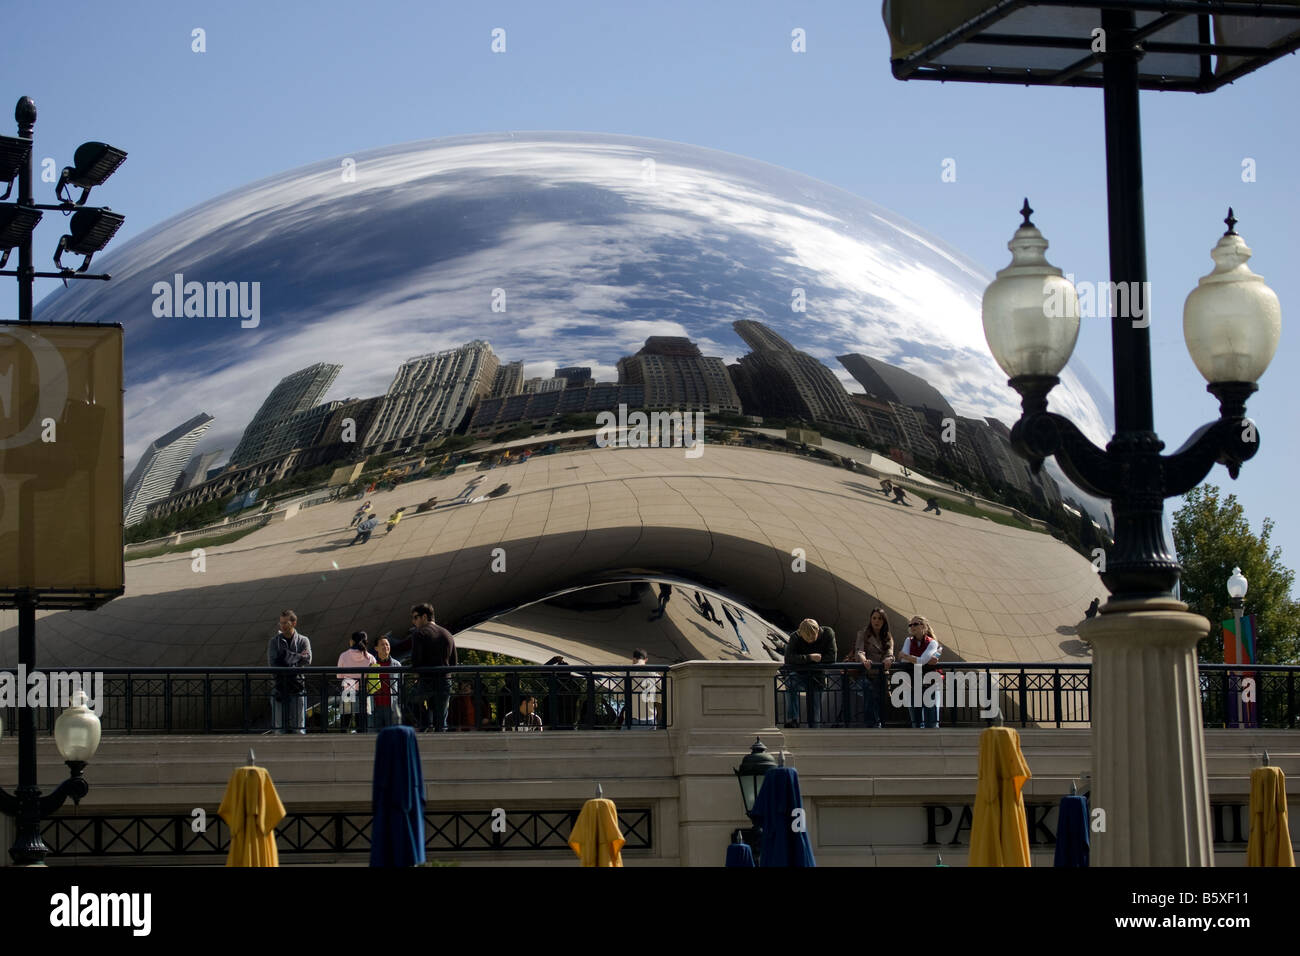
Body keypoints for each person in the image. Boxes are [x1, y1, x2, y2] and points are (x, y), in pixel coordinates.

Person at [393, 603, 457, 732]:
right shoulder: (447, 634)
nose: (413, 621)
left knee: (409, 701)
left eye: (415, 617)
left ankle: (425, 723)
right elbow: (454, 661)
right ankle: (439, 740)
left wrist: (417, 674)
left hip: (427, 680)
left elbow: (416, 660)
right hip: (445, 681)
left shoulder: (419, 633)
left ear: (424, 616)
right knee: (441, 717)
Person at [841, 607, 894, 727]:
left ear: (884, 621)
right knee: (869, 698)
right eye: (874, 618)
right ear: (870, 620)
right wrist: (864, 660)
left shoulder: (887, 636)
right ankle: (873, 726)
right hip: (866, 673)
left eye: (880, 619)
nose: (877, 621)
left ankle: (878, 724)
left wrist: (889, 659)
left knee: (879, 701)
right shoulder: (863, 633)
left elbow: (890, 653)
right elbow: (859, 651)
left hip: (881, 675)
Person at [783, 619, 837, 728]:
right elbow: (788, 658)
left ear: (818, 631)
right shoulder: (795, 637)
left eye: (812, 637)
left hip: (817, 678)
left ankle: (814, 727)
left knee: (815, 710)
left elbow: (832, 657)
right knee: (790, 682)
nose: (809, 641)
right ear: (800, 633)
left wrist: (813, 660)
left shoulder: (827, 633)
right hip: (800, 675)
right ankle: (793, 719)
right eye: (806, 638)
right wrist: (810, 657)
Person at [268, 610, 312, 734]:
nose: (282, 626)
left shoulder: (303, 640)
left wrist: (285, 656)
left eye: (285, 623)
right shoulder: (274, 641)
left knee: (299, 727)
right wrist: (297, 656)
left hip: (297, 686)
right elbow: (273, 663)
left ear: (294, 623)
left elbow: (308, 659)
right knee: (279, 727)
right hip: (279, 686)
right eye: (280, 623)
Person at [899, 615, 943, 728]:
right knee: (916, 723)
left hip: (931, 684)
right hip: (914, 684)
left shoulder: (932, 643)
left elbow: (921, 660)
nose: (912, 627)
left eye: (915, 624)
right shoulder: (908, 640)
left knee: (932, 722)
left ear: (924, 626)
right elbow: (904, 661)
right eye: (910, 625)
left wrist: (909, 657)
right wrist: (919, 659)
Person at [336, 631, 376, 733]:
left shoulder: (343, 656)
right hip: (363, 691)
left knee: (345, 722)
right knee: (362, 724)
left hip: (348, 689)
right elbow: (374, 677)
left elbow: (339, 676)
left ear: (352, 641)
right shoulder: (370, 658)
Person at [370, 635, 402, 730]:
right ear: (376, 648)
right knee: (375, 737)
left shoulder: (397, 665)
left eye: (387, 644)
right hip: (375, 707)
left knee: (392, 736)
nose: (386, 647)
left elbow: (401, 685)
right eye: (382, 645)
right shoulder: (371, 664)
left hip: (392, 706)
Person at [625, 649, 659, 727]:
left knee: (622, 739)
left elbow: (618, 693)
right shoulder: (653, 673)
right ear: (646, 659)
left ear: (633, 659)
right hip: (650, 718)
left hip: (631, 716)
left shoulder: (625, 671)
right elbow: (661, 689)